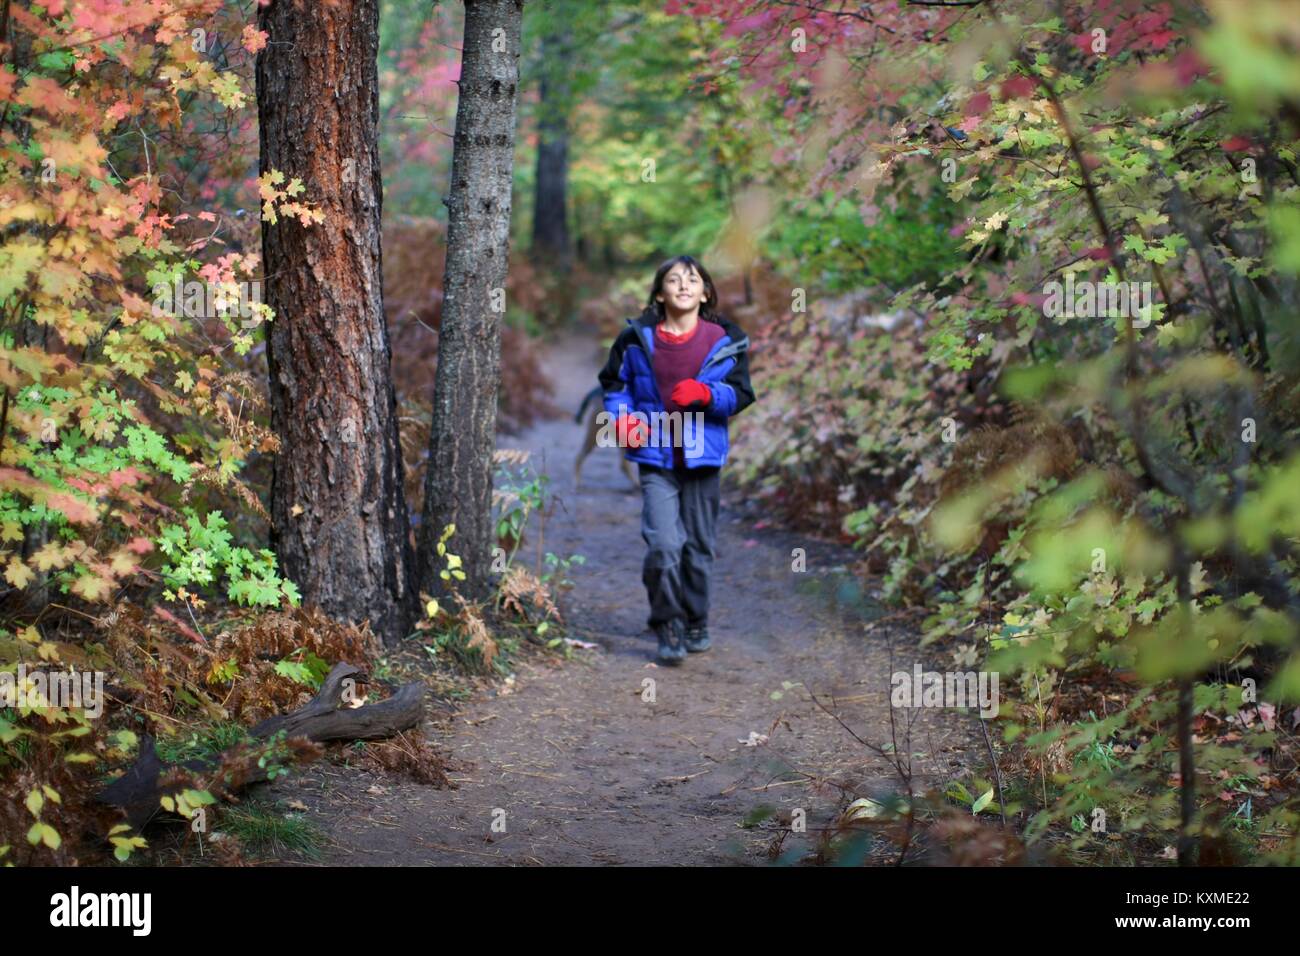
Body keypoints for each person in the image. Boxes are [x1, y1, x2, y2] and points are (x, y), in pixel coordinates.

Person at [597, 255, 757, 664]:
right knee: (663, 545)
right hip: (656, 456)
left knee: (698, 549)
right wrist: (622, 420)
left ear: (705, 293)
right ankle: (667, 623)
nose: (683, 286)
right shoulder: (635, 338)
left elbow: (740, 394)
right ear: (659, 292)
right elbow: (615, 385)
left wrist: (707, 396)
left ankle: (695, 619)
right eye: (673, 280)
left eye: (693, 280)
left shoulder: (725, 339)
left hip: (703, 457)